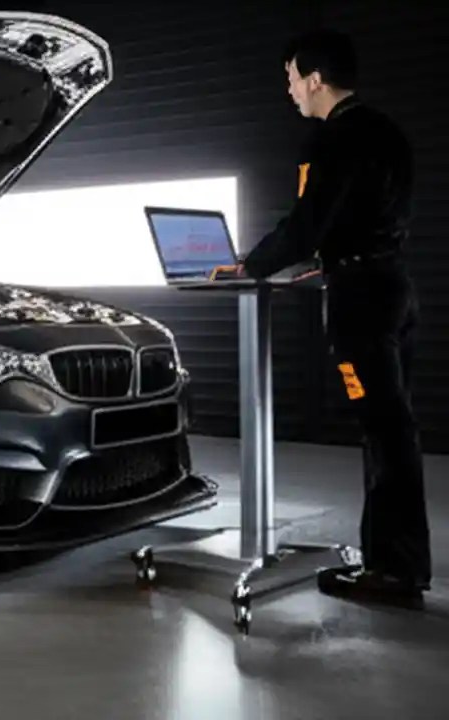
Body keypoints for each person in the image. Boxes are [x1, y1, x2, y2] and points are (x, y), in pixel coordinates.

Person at [236, 30, 430, 607]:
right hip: (395, 288)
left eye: (292, 77)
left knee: (383, 432)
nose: (290, 89)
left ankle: (393, 573)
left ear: (315, 79)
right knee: (394, 429)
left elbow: (305, 224)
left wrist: (250, 265)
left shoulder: (332, 140)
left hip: (359, 300)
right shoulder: (387, 132)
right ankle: (394, 564)